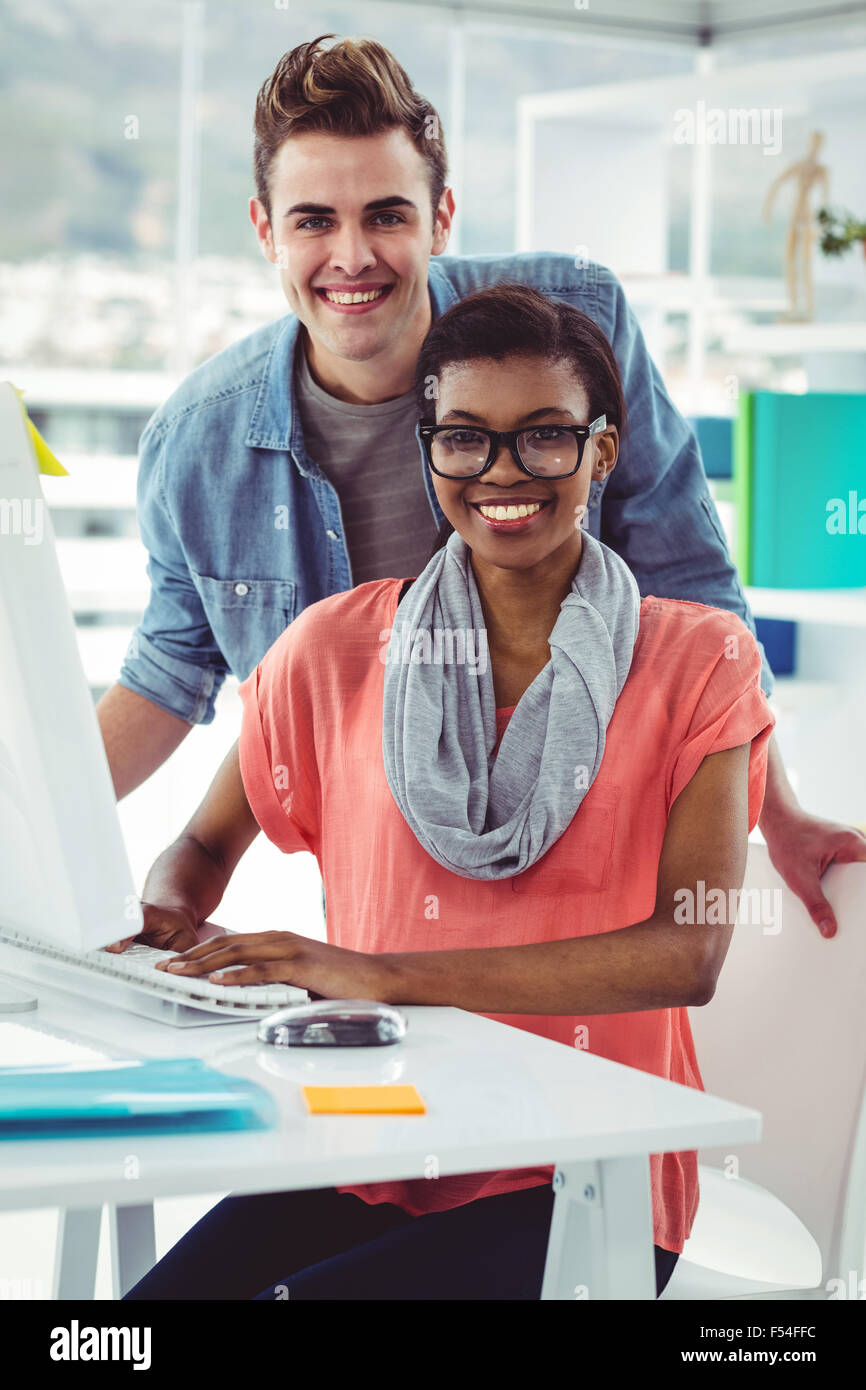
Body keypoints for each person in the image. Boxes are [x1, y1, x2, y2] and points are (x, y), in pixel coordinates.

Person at [100, 34, 865, 949]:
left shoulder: (569, 326)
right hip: (388, 896)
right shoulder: (200, 444)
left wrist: (775, 807)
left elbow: (687, 579)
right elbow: (168, 675)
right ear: (266, 230)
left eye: (387, 215)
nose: (353, 257)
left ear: (440, 217)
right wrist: (29, 824)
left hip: (599, 869)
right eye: (313, 221)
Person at [123, 285, 775, 1301]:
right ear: (427, 452)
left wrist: (380, 972)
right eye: (464, 439)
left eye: (545, 438)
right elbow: (203, 849)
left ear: (602, 452)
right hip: (375, 1145)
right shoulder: (333, 650)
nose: (502, 473)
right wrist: (172, 923)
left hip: (590, 1176)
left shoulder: (697, 659)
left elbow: (684, 954)